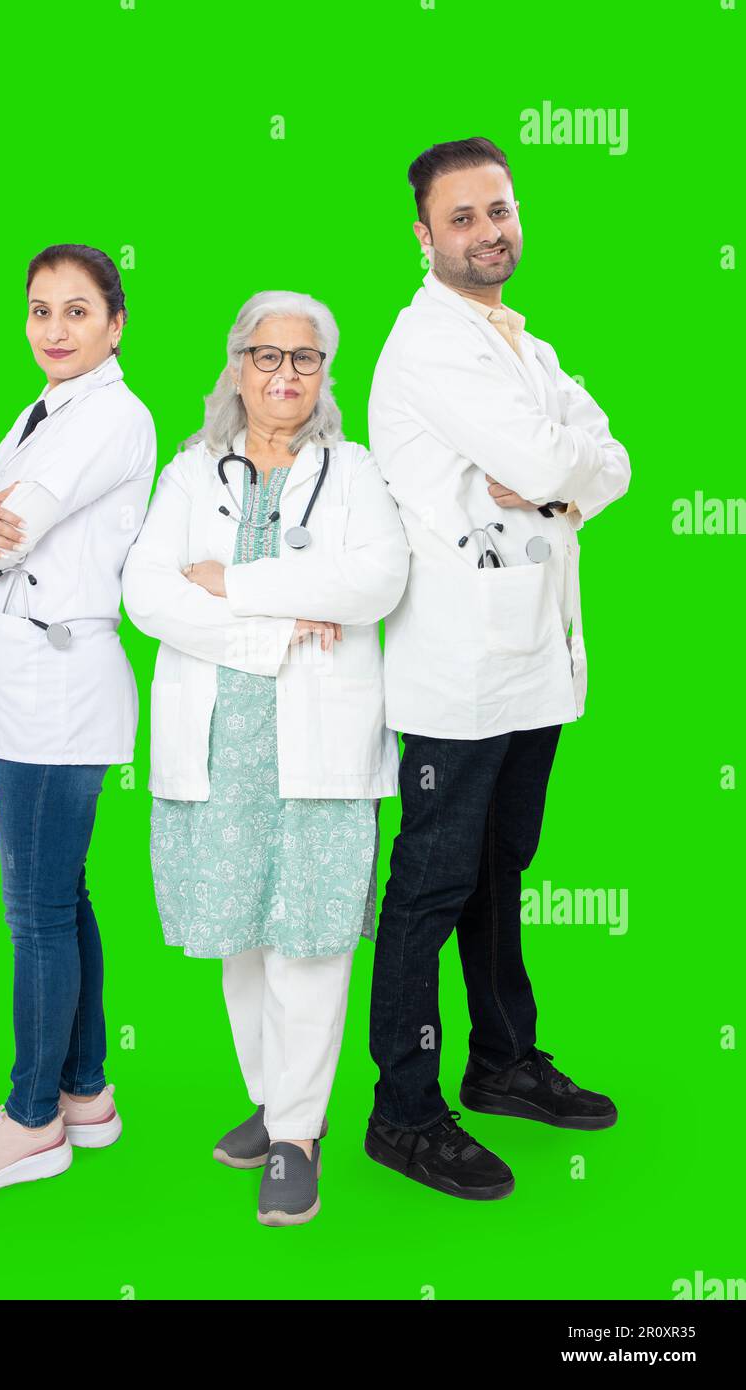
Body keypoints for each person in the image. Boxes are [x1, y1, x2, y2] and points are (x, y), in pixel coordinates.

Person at [366, 138, 631, 1201]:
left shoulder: (521, 341)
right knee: (431, 882)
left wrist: (559, 471)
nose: (490, 231)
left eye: (501, 209)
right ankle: (404, 1108)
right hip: (459, 666)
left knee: (499, 866)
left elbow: (606, 456)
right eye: (464, 218)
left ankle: (503, 1059)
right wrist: (552, 464)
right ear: (426, 237)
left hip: (530, 659)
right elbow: (543, 459)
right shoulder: (430, 346)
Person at [121, 290, 409, 1225]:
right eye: (266, 356)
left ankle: (296, 1134)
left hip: (319, 747)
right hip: (215, 742)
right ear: (236, 365)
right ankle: (273, 1096)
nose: (284, 375)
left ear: (324, 374)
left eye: (305, 359)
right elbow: (147, 593)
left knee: (310, 939)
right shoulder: (187, 470)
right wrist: (279, 630)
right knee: (237, 937)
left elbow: (374, 580)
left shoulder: (353, 473)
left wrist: (235, 583)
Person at [0, 244, 156, 1195]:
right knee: (61, 895)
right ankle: (83, 1091)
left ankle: (30, 1122)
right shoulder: (44, 411)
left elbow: (3, 526)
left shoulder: (112, 418)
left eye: (75, 312)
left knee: (34, 909)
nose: (53, 331)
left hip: (52, 688)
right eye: (38, 311)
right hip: (21, 682)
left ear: (115, 322)